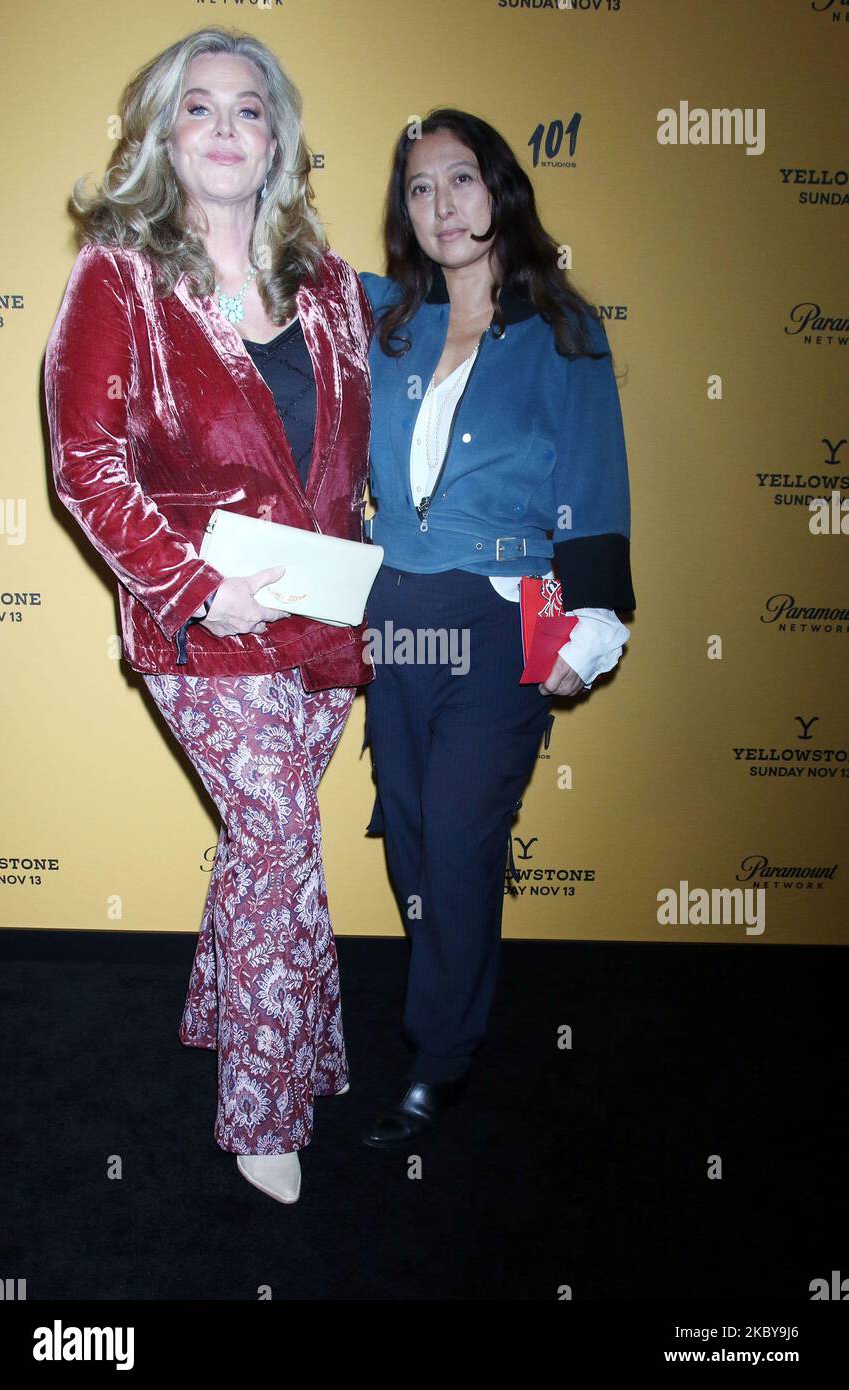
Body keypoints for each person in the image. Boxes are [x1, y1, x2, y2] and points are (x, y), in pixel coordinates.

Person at [43, 27, 376, 1203]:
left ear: (276, 136)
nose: (227, 125)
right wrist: (194, 586)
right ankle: (263, 1108)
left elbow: (352, 455)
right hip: (202, 624)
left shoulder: (327, 281)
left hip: (322, 622)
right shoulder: (120, 274)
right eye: (199, 107)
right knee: (281, 839)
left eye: (249, 106)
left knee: (263, 848)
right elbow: (86, 465)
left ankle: (244, 1023)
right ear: (164, 137)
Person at [358, 109, 636, 1148]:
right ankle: (445, 998)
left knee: (465, 833)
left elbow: (594, 479)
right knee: (413, 830)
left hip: (500, 612)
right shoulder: (384, 317)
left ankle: (440, 1055)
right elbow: (269, 276)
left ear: (499, 190)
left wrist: (593, 621)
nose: (439, 205)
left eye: (459, 180)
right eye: (419, 189)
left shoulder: (562, 328)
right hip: (396, 612)